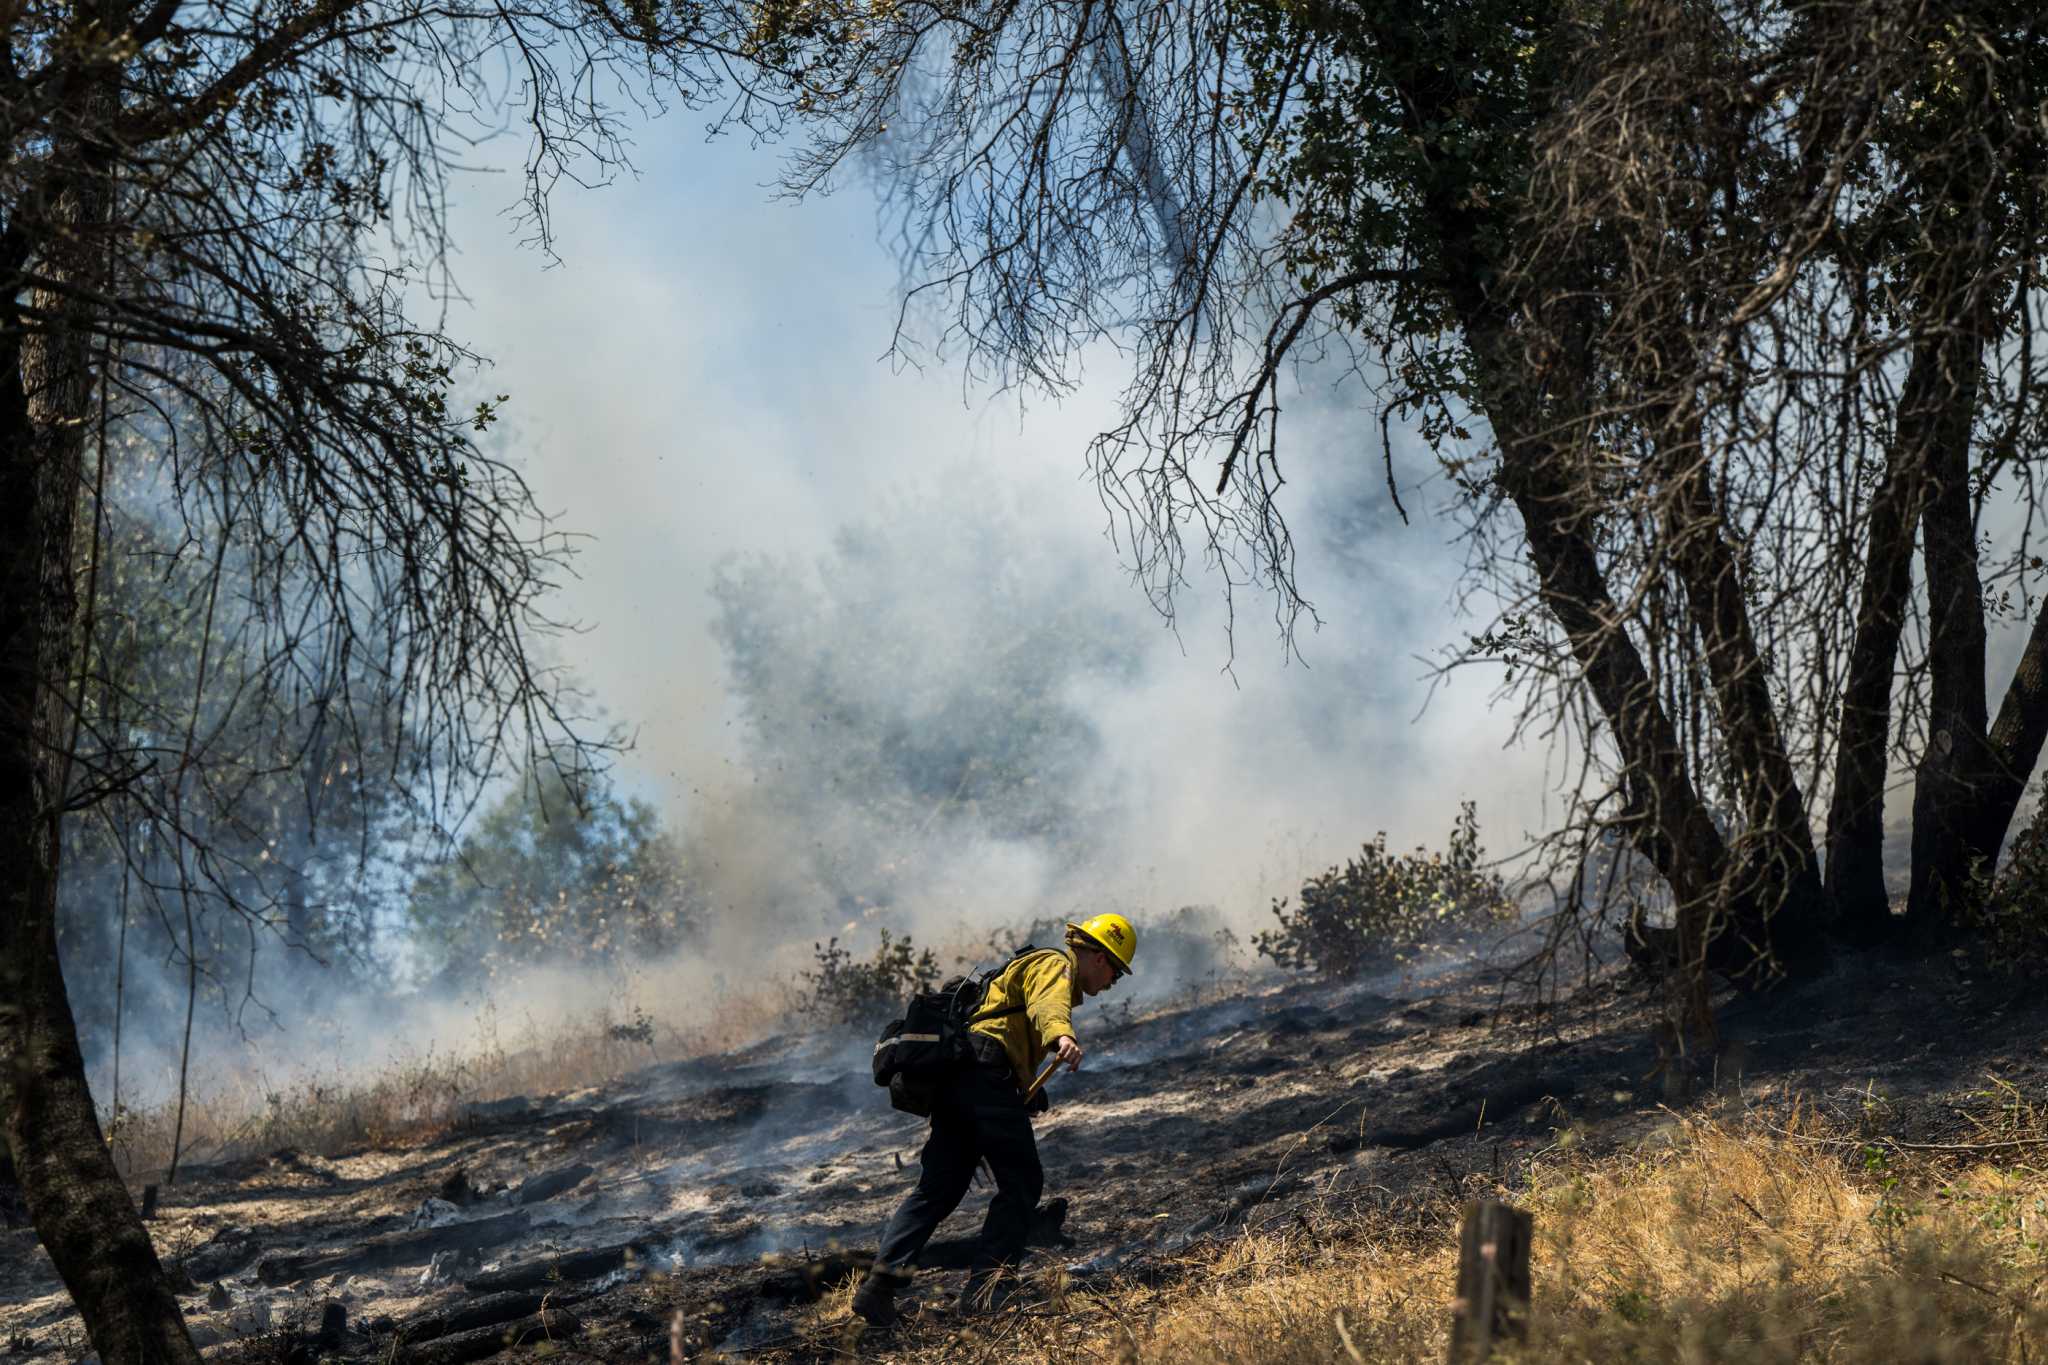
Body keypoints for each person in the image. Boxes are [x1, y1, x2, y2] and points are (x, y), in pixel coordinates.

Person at [851, 912, 1138, 1325]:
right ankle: (988, 1289)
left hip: (961, 1081)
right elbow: (1047, 1006)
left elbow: (1005, 1029)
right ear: (1098, 957)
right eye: (1116, 972)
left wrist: (1022, 1085)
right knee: (1023, 1181)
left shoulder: (1033, 966)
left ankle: (879, 1288)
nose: (1112, 982)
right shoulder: (1055, 964)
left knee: (937, 1190)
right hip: (983, 1078)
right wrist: (1062, 1036)